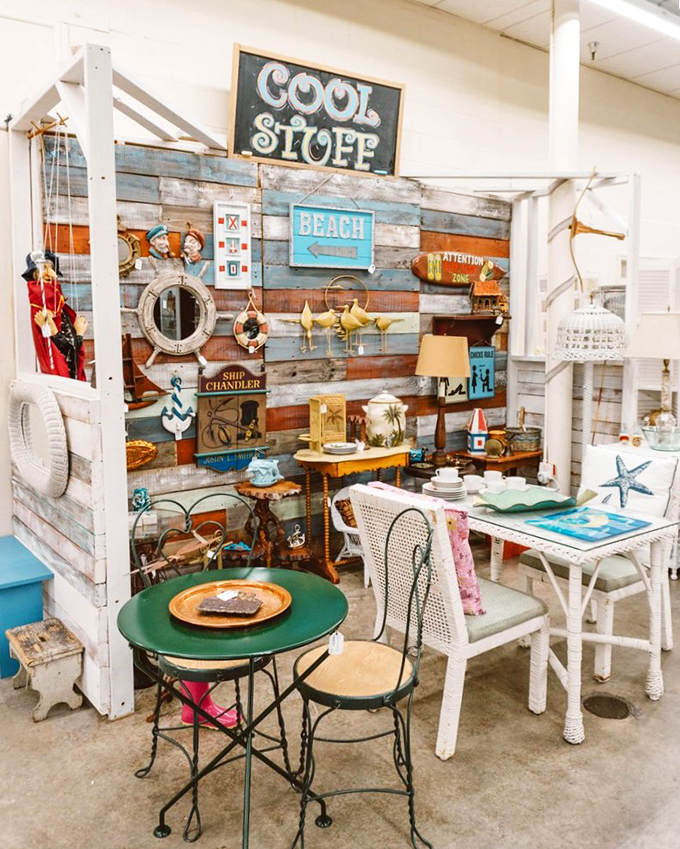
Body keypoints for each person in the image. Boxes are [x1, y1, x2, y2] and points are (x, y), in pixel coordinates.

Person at [22, 251, 87, 381]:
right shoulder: (44, 302)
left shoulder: (57, 305)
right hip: (62, 377)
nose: (52, 274)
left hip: (70, 376)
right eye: (44, 268)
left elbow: (71, 352)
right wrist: (75, 334)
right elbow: (67, 351)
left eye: (51, 268)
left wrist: (78, 334)